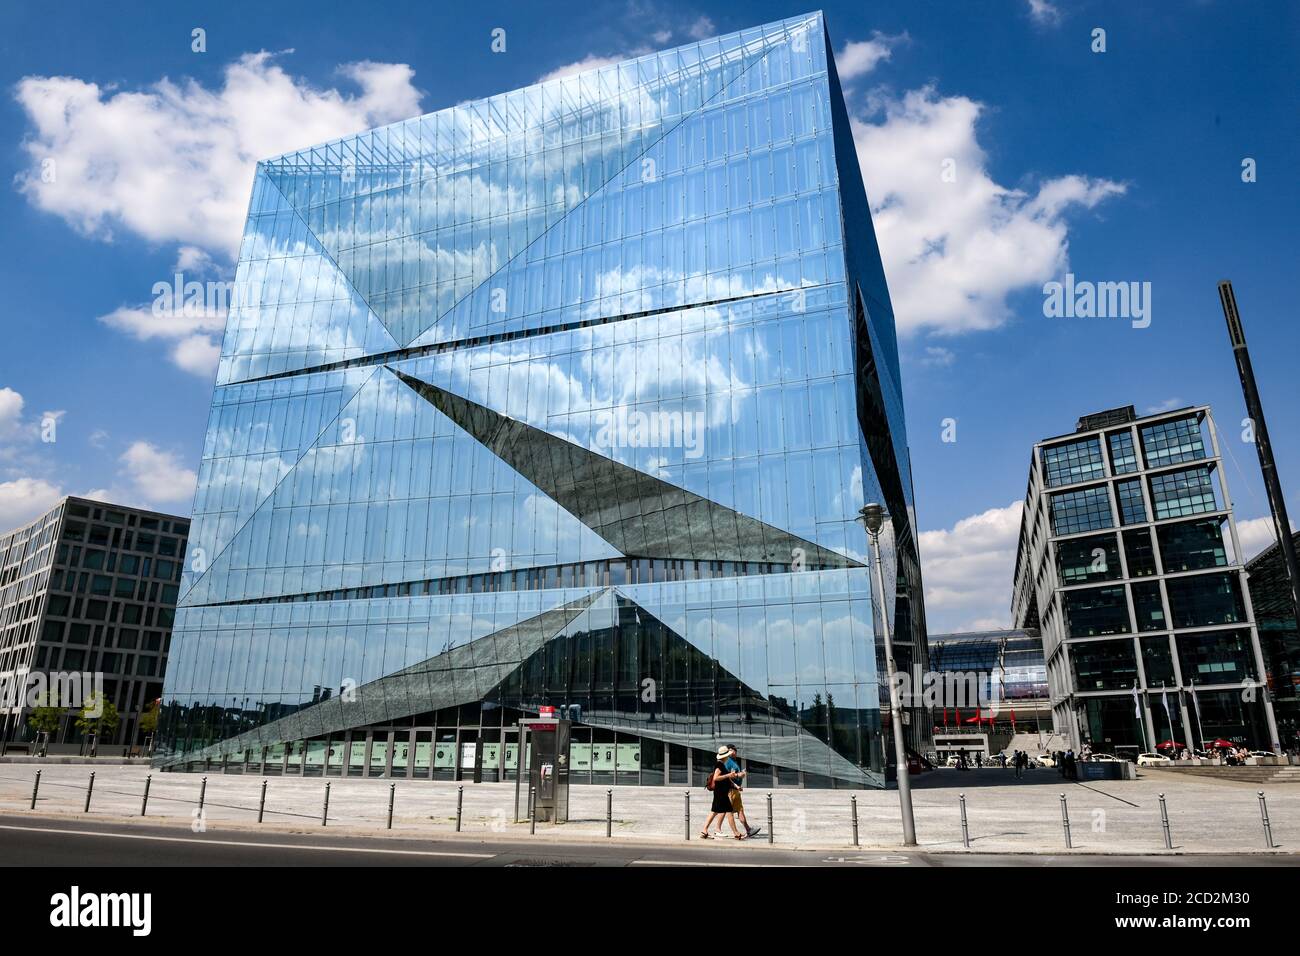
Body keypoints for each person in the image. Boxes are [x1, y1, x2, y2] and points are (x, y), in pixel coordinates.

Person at [712, 745, 760, 838]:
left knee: (740, 810)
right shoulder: (727, 761)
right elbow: (726, 775)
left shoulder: (733, 761)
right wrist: (739, 775)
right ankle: (719, 829)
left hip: (735, 790)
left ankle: (748, 829)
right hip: (730, 790)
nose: (732, 753)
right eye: (730, 751)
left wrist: (739, 780)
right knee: (725, 810)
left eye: (733, 751)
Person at [700, 747, 745, 840]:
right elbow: (716, 778)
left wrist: (736, 786)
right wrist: (728, 775)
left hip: (720, 793)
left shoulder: (722, 765)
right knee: (729, 812)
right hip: (721, 793)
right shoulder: (719, 765)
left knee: (714, 812)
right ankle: (736, 833)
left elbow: (728, 779)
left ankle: (704, 830)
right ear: (725, 756)